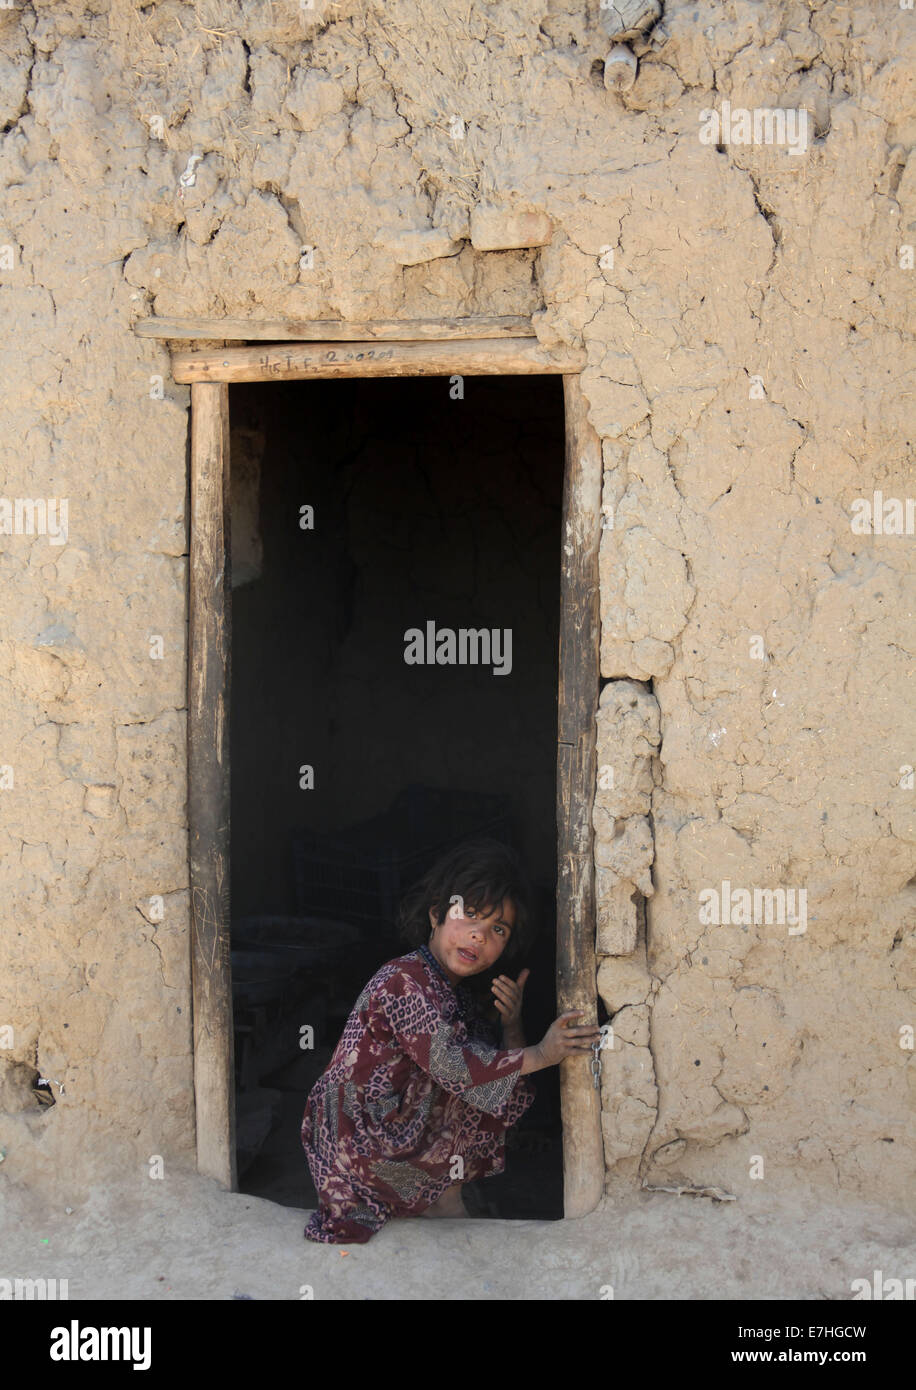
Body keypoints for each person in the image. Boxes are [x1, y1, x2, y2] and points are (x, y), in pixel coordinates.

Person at [301, 836, 601, 1243]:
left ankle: (442, 1195)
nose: (478, 935)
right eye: (470, 915)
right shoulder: (404, 981)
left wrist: (512, 1025)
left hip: (391, 1138)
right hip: (357, 1141)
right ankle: (436, 1197)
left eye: (497, 929)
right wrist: (543, 1053)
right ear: (435, 915)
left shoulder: (455, 995)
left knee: (487, 1073)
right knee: (469, 1071)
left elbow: (499, 1095)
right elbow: (454, 1068)